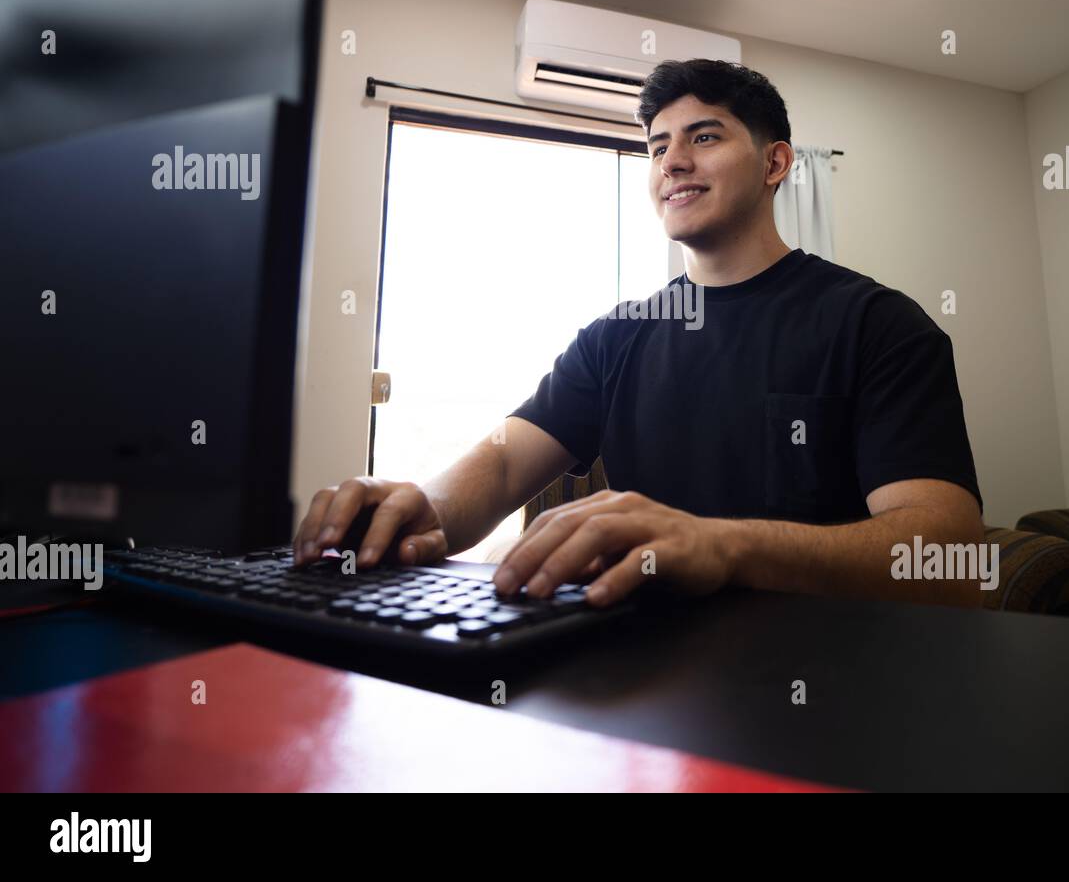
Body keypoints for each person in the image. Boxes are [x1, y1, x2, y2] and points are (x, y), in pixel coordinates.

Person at [294, 59, 985, 609]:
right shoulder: (615, 338)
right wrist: (422, 502)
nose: (672, 162)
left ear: (776, 163)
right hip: (638, 675)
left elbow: (947, 551)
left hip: (833, 683)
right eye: (658, 147)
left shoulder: (877, 323)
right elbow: (506, 461)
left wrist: (723, 546)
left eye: (704, 137)